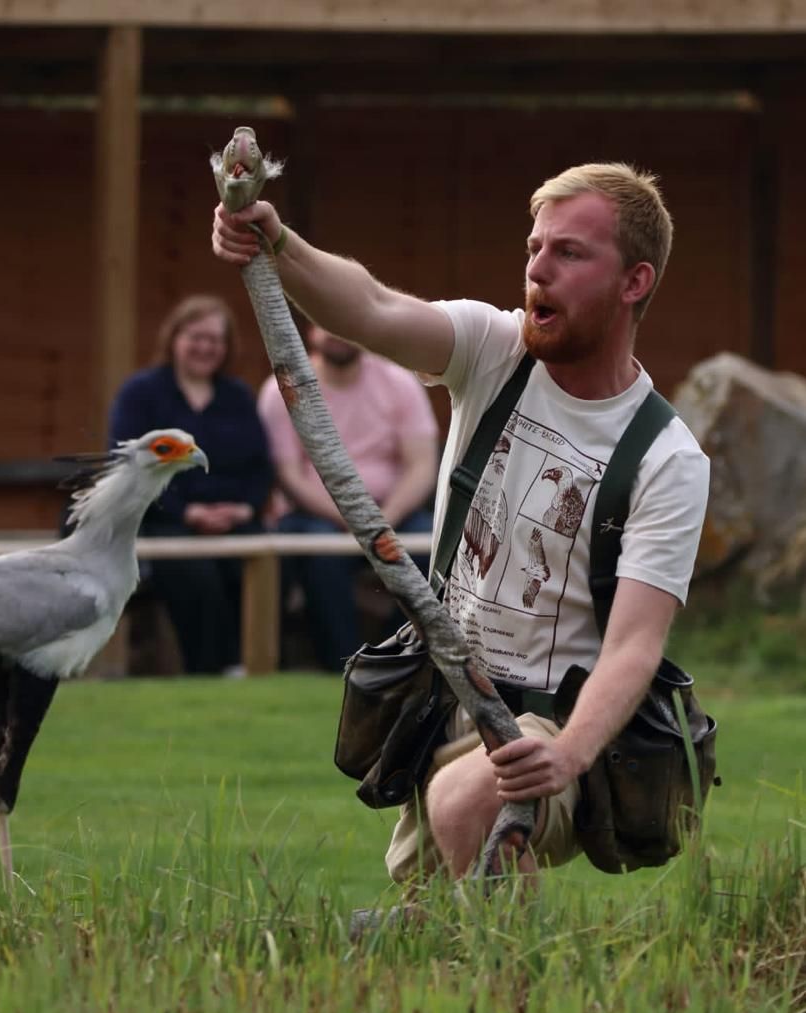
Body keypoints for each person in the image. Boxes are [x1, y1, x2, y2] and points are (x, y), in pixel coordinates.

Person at [212, 162, 709, 885]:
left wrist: (566, 753)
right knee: (432, 928)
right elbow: (373, 307)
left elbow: (635, 644)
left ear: (634, 281)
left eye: (569, 253)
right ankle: (521, 988)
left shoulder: (666, 457)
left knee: (460, 803)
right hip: (444, 699)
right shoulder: (493, 352)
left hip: (563, 724)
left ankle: (511, 976)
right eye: (534, 249)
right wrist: (280, 243)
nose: (539, 270)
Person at [109, 294, 272, 675]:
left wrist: (245, 508)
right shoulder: (140, 393)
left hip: (235, 519)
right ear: (174, 339)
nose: (205, 347)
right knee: (196, 572)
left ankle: (258, 667)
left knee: (260, 568)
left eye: (215, 340)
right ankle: (215, 670)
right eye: (195, 337)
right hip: (163, 516)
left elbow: (261, 468)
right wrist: (188, 511)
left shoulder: (237, 397)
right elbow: (128, 468)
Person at [258, 322, 438, 670]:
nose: (337, 333)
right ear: (311, 332)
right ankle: (343, 665)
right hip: (316, 516)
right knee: (319, 556)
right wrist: (350, 519)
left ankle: (396, 662)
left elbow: (422, 465)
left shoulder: (398, 382)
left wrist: (383, 518)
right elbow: (288, 475)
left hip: (392, 513)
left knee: (433, 549)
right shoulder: (282, 388)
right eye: (326, 326)